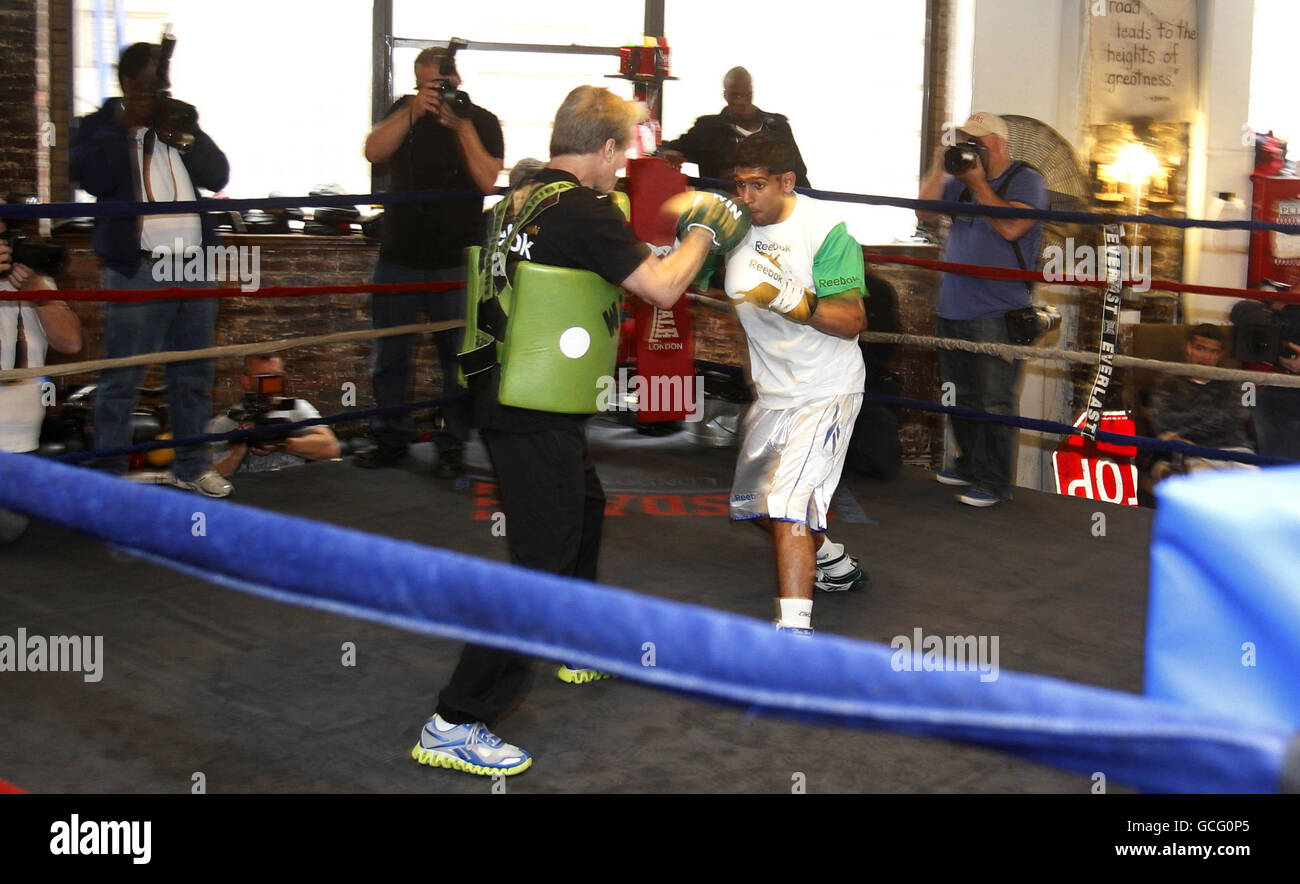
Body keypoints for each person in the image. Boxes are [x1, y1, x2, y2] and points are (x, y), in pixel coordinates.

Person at [411, 85, 740, 777]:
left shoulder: (517, 200)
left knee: (582, 508)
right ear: (606, 148)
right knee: (541, 558)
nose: (620, 173)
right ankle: (456, 718)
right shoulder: (584, 208)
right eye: (620, 159)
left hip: (507, 390)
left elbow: (579, 262)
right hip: (531, 407)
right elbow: (662, 290)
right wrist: (706, 229)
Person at [715, 131, 869, 636]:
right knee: (759, 506)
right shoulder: (733, 227)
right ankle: (832, 561)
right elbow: (674, 279)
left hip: (827, 386)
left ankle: (794, 632)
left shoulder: (825, 230)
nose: (746, 197)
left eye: (757, 185)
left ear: (787, 181)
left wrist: (794, 300)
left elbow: (851, 319)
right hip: (774, 391)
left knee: (789, 502)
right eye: (739, 185)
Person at [70, 41, 232, 498]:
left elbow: (218, 176)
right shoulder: (98, 125)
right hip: (136, 268)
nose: (156, 94)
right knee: (122, 378)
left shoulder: (181, 117)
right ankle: (110, 481)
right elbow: (93, 178)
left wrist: (188, 137)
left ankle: (192, 465)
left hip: (196, 265)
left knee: (193, 376)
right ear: (125, 84)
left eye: (160, 85)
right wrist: (129, 127)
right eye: (146, 87)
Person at [358, 46, 504, 478]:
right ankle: (390, 437)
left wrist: (459, 127)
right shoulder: (404, 111)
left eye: (441, 85)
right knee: (390, 354)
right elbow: (373, 151)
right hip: (399, 254)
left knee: (458, 362)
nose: (436, 92)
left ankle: (452, 445)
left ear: (457, 79)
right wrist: (410, 112)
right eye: (426, 85)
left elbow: (486, 178)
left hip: (455, 258)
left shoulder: (481, 121)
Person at [916, 112, 1048, 508]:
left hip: (998, 310)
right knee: (959, 394)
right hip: (953, 305)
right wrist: (941, 169)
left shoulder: (1027, 179)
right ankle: (970, 464)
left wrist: (979, 183)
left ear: (999, 144)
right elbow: (923, 212)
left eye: (976, 142)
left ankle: (994, 482)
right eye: (963, 142)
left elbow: (1012, 228)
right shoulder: (961, 180)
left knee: (995, 399)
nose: (968, 149)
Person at [0, 204, 82, 544]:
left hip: (18, 445)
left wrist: (38, 293)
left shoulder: (33, 280)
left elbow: (71, 343)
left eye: (3, 237)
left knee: (8, 530)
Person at [660, 66, 810, 187]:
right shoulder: (707, 130)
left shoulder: (778, 127)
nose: (743, 101)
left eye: (747, 95)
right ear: (726, 95)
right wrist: (669, 154)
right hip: (723, 212)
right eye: (736, 95)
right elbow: (668, 149)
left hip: (773, 214)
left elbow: (799, 175)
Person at [1148, 324, 1257, 480]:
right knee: (1206, 487)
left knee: (1256, 488)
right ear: (1188, 348)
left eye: (1213, 351)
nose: (1206, 357)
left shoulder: (1234, 381)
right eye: (1200, 348)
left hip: (1236, 450)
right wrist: (1214, 414)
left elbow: (1234, 418)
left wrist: (1180, 432)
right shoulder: (1168, 382)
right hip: (1194, 453)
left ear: (1220, 355)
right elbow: (1164, 422)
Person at [206, 355, 340, 476]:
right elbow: (210, 479)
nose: (270, 383)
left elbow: (331, 449)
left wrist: (282, 444)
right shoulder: (227, 421)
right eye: (264, 377)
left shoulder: (296, 407)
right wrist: (238, 453)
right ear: (246, 381)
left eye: (276, 376)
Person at [1230, 288, 1300, 461]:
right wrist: (1277, 324)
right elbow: (1240, 310)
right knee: (1256, 399)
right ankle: (1279, 472)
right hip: (1275, 386)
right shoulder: (1282, 316)